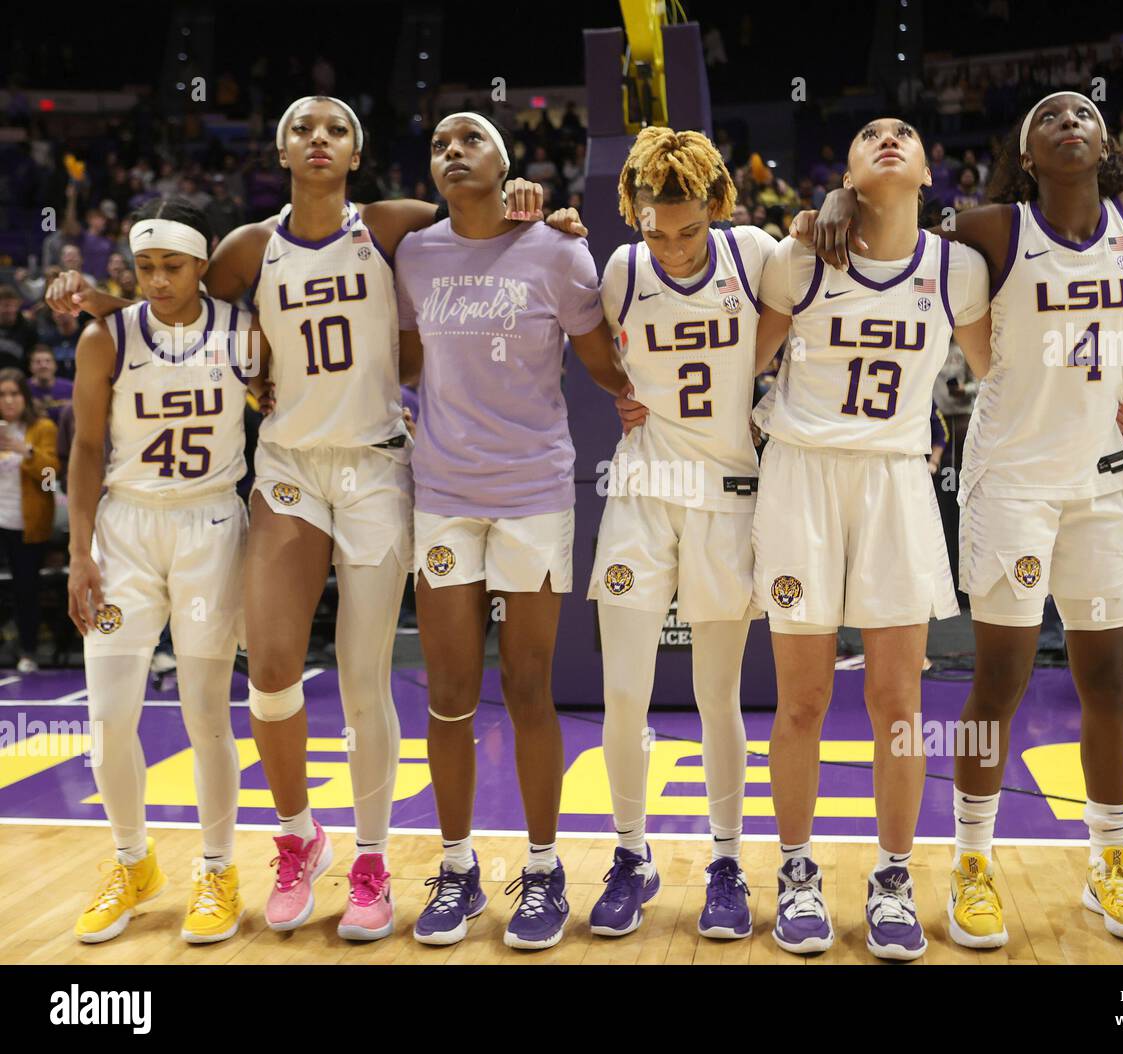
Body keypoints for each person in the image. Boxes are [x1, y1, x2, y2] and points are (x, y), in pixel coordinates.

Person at [45, 95, 571, 944]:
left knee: (364, 680)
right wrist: (103, 305)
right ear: (282, 148)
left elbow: (484, 215)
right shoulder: (248, 247)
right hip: (287, 466)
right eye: (301, 128)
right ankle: (298, 838)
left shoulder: (396, 224)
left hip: (374, 466)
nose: (317, 139)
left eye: (335, 130)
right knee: (274, 669)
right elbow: (173, 311)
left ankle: (370, 859)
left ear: (356, 154)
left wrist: (539, 202)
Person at [807, 91, 1123, 949]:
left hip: (1104, 485)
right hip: (1012, 486)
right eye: (1049, 118)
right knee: (999, 683)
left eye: (1083, 113)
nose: (1069, 122)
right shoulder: (995, 230)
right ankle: (973, 864)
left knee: (1107, 681)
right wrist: (838, 199)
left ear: (1108, 140)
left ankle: (1112, 863)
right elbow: (902, 235)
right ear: (1026, 154)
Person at [754, 117, 992, 960]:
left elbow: (1006, 373)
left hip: (895, 479)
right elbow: (734, 364)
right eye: (867, 135)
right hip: (800, 477)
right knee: (803, 702)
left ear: (930, 169)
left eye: (906, 134)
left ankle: (893, 877)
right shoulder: (797, 260)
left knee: (899, 706)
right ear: (847, 169)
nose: (888, 139)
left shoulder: (956, 268)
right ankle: (795, 872)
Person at [396, 111, 625, 951]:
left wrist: (655, 396)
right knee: (450, 695)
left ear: (506, 163)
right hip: (445, 494)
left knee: (529, 688)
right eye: (438, 146)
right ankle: (456, 869)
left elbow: (604, 362)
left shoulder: (558, 251)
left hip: (533, 494)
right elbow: (407, 359)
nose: (452, 152)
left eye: (471, 140)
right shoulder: (414, 255)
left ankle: (542, 870)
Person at [585, 126, 777, 940]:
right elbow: (587, 343)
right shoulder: (623, 269)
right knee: (624, 692)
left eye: (689, 228)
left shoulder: (757, 255)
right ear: (633, 214)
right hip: (641, 489)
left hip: (729, 495)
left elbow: (821, 312)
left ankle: (727, 860)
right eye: (656, 229)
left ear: (717, 208)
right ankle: (630, 854)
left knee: (716, 696)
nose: (671, 246)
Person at [65, 200, 251, 944]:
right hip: (126, 529)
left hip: (210, 523)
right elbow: (83, 449)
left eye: (172, 266)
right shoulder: (104, 338)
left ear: (202, 264)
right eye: (143, 268)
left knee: (206, 713)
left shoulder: (244, 333)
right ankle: (131, 860)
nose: (157, 280)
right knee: (109, 719)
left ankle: (218, 870)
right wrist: (80, 550)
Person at [0, 369, 58, 673]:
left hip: (27, 524)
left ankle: (28, 650)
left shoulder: (42, 428)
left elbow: (50, 480)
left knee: (26, 590)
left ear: (25, 396)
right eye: (3, 394)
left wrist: (27, 452)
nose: (8, 400)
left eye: (14, 393)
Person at [27, 345, 73, 425]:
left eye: (48, 361)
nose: (43, 365)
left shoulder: (70, 388)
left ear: (55, 366)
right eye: (38, 362)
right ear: (30, 367)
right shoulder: (23, 388)